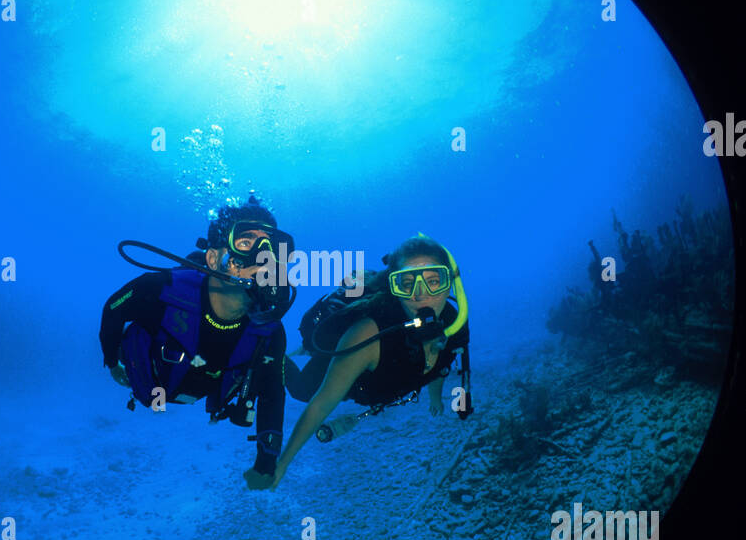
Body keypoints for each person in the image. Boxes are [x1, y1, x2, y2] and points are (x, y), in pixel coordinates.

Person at [99, 196, 290, 490]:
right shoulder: (160, 289)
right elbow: (113, 309)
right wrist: (112, 362)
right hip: (156, 378)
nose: (263, 256)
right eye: (246, 241)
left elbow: (273, 393)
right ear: (213, 258)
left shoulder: (270, 331)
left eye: (272, 246)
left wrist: (266, 461)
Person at [272, 234, 470, 489]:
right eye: (406, 284)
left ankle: (303, 351)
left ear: (450, 284)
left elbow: (441, 366)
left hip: (376, 378)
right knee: (301, 391)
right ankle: (274, 354)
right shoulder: (368, 334)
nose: (422, 296)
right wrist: (283, 463)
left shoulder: (453, 325)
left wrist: (435, 398)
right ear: (393, 287)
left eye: (434, 281)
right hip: (350, 369)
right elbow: (322, 405)